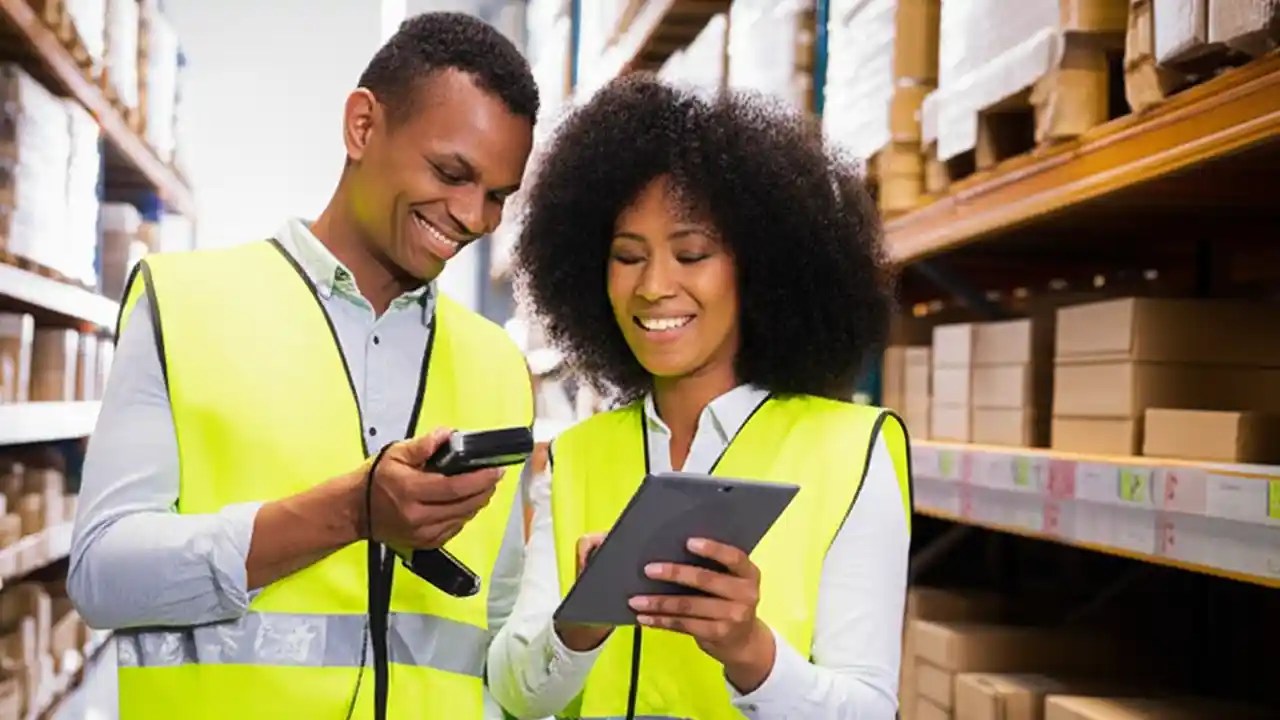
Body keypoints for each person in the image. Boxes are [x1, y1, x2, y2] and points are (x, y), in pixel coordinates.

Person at [68, 13, 539, 720]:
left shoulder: (499, 366)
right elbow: (101, 576)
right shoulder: (186, 303)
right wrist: (350, 512)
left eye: (499, 195)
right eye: (451, 173)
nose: (474, 216)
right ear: (361, 126)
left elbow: (493, 635)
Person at [487, 75, 913, 719]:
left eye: (691, 254)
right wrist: (577, 626)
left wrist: (751, 652)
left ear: (757, 267)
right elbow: (516, 692)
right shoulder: (576, 458)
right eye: (628, 256)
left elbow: (869, 709)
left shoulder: (853, 451)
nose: (654, 286)